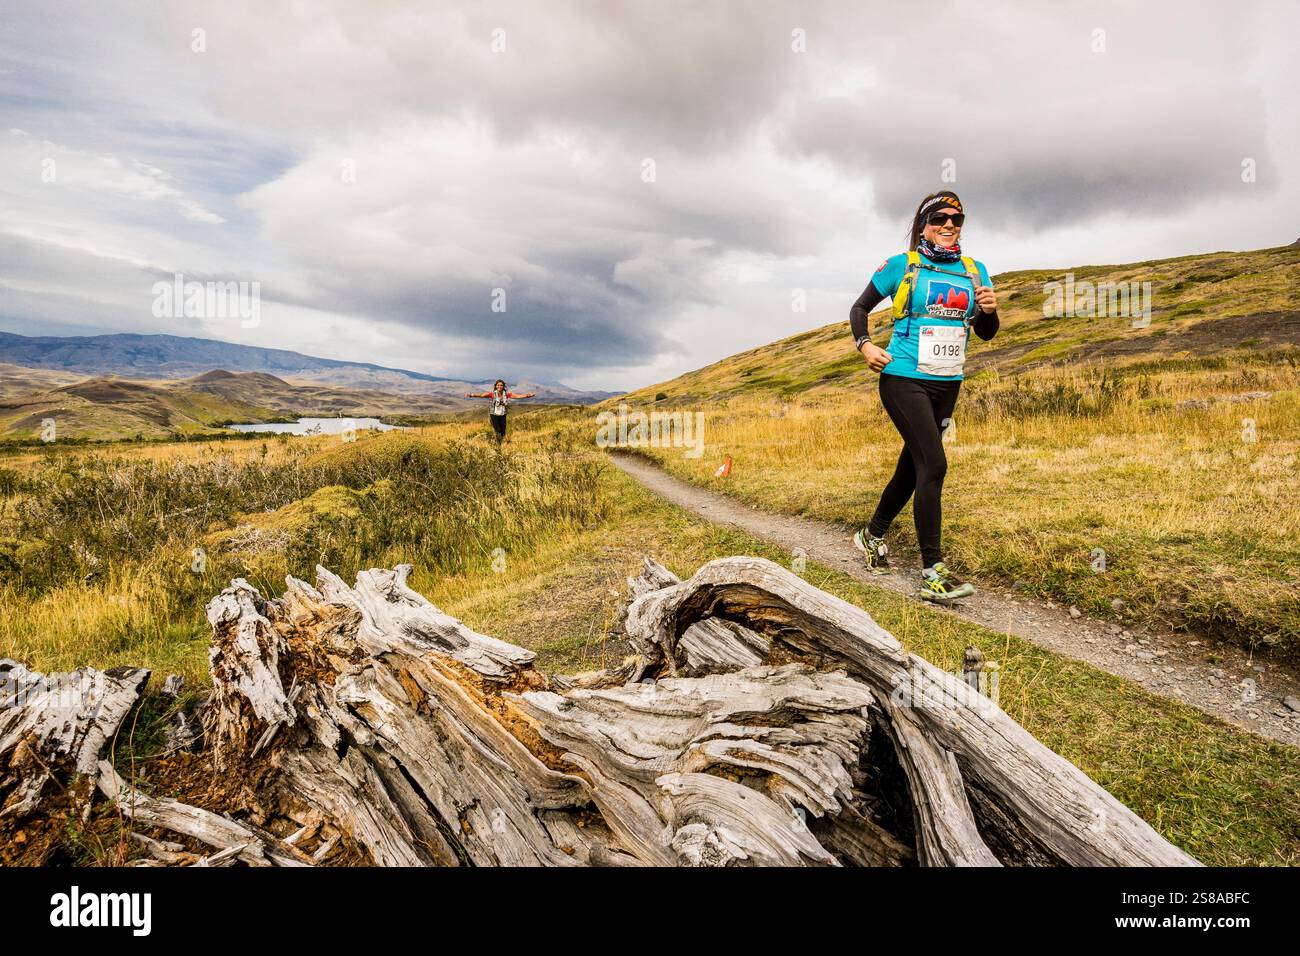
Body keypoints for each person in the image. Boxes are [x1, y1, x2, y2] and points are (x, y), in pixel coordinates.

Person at [848, 191, 999, 602]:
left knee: (914, 467)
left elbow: (986, 333)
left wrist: (988, 309)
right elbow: (859, 308)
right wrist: (865, 345)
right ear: (923, 225)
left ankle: (872, 534)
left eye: (958, 218)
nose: (950, 224)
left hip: (948, 383)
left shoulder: (975, 271)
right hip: (902, 378)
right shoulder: (902, 266)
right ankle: (933, 571)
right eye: (940, 218)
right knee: (934, 463)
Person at [465, 379, 535, 444]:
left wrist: (527, 395)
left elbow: (517, 396)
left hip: (503, 415)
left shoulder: (507, 394)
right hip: (494, 415)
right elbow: (481, 395)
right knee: (498, 430)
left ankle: (499, 443)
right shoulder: (492, 394)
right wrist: (471, 395)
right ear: (495, 386)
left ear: (503, 386)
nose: (499, 386)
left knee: (503, 432)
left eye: (501, 385)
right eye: (498, 385)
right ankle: (497, 445)